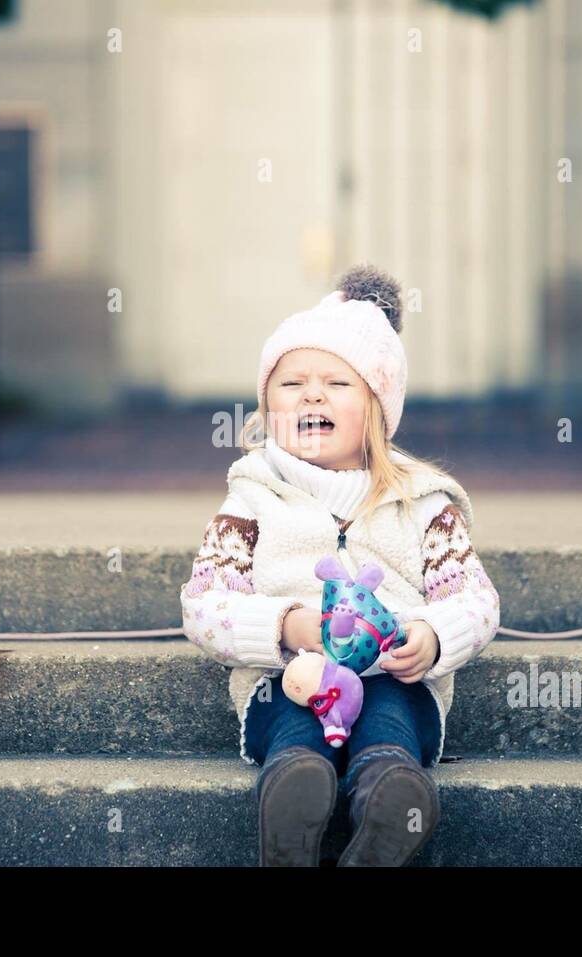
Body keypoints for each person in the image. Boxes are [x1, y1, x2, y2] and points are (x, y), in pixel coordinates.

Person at [179, 264, 500, 866]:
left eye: (337, 383)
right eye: (292, 383)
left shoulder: (422, 503)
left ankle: (389, 802)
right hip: (292, 678)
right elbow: (203, 605)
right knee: (294, 722)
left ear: (377, 411)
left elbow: (477, 601)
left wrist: (432, 637)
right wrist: (284, 627)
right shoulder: (250, 500)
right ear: (267, 407)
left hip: (395, 679)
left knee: (389, 721)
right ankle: (291, 807)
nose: (312, 395)